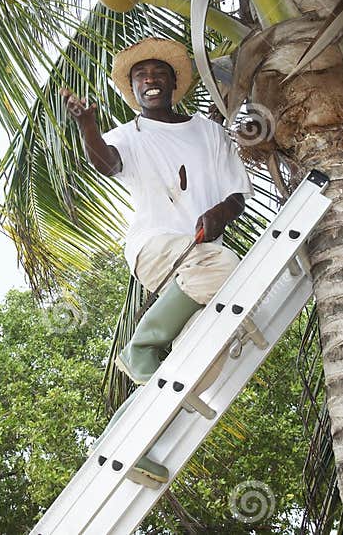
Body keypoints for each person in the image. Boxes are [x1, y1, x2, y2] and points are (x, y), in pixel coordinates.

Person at [62, 37, 252, 484]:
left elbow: (237, 193)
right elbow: (106, 163)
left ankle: (128, 440)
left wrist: (220, 212)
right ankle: (141, 345)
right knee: (228, 270)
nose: (150, 79)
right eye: (141, 75)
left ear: (172, 83)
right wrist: (88, 124)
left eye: (159, 73)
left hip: (197, 251)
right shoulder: (129, 135)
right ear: (133, 88)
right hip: (156, 246)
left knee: (201, 359)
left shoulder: (207, 131)